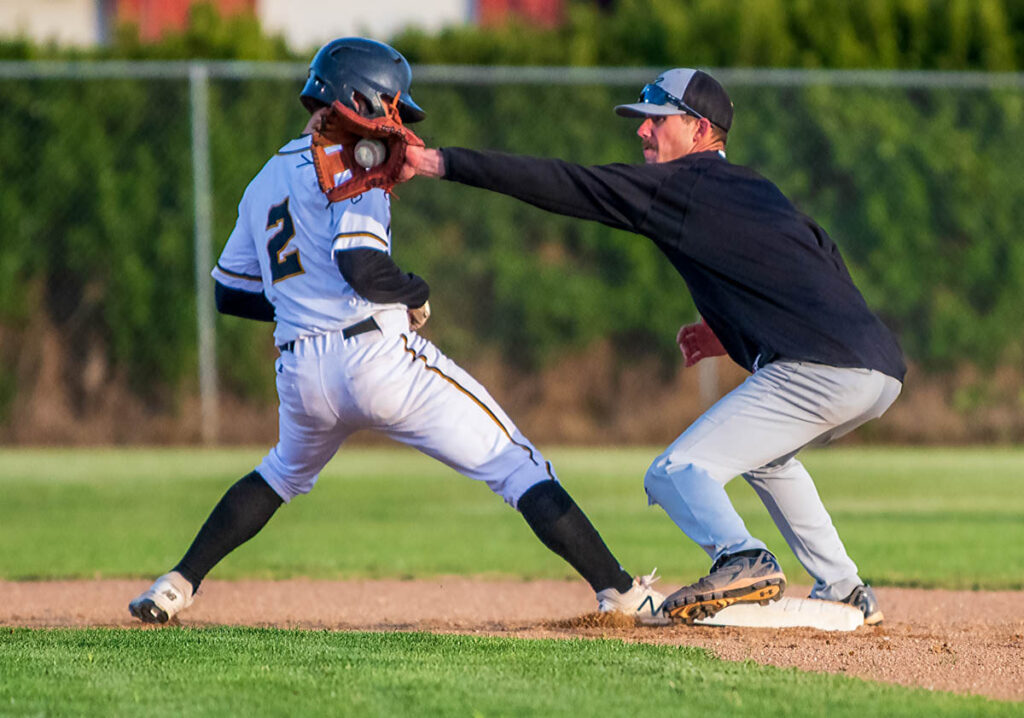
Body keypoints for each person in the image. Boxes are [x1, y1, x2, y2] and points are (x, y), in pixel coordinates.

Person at [128, 38, 663, 625]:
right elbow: (362, 264)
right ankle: (621, 592)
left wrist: (303, 310)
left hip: (301, 373)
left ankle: (175, 585)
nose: (394, 122)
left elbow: (229, 292)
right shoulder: (360, 164)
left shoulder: (264, 179)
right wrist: (415, 291)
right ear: (359, 98)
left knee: (280, 474)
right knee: (515, 464)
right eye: (390, 106)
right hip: (374, 360)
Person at [401, 68, 905, 625]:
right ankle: (844, 588)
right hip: (878, 370)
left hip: (821, 368)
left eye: (658, 120)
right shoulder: (754, 188)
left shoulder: (681, 185)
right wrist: (730, 331)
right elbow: (821, 253)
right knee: (768, 461)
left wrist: (439, 162)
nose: (643, 131)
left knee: (675, 470)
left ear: (699, 129)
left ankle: (743, 558)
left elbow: (568, 183)